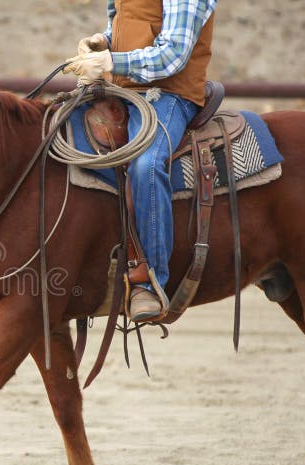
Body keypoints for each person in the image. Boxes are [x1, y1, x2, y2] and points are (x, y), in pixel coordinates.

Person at [63, 0, 217, 322]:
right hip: (126, 88)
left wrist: (110, 61)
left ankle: (150, 281)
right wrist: (102, 43)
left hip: (169, 95)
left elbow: (172, 55)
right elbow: (126, 23)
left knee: (147, 164)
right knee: (60, 131)